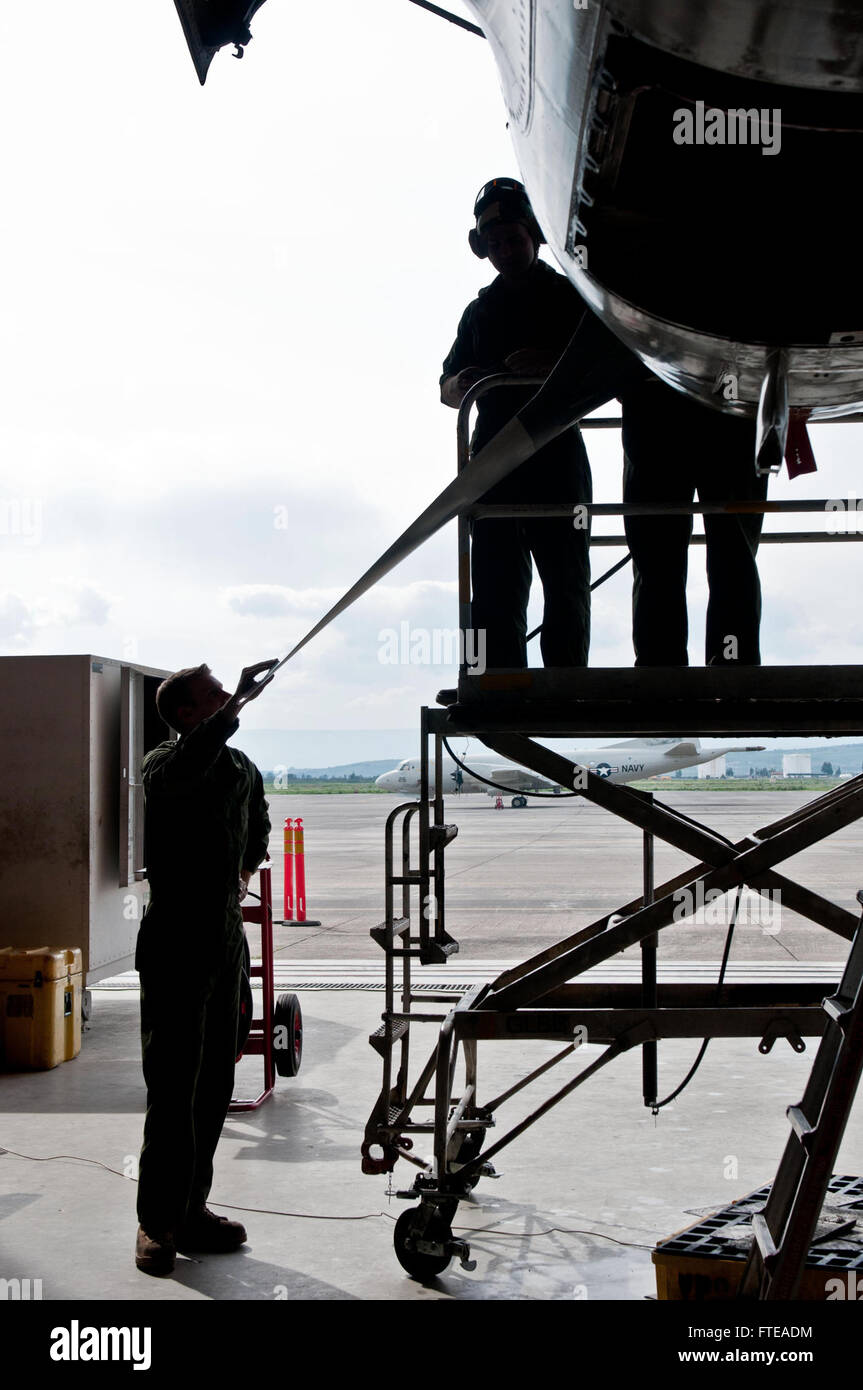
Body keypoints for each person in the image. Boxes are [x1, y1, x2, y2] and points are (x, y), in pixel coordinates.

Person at [134, 658, 276, 1275]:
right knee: (174, 1088)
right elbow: (190, 766)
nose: (226, 701)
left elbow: (259, 827)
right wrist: (238, 703)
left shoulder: (241, 767)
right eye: (213, 696)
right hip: (175, 944)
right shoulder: (163, 764)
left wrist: (243, 873)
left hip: (224, 945)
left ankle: (192, 1209)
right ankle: (157, 1225)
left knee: (215, 1082)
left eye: (226, 694)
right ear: (187, 714)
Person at [440, 177, 591, 669]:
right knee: (492, 576)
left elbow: (600, 371)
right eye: (495, 244)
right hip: (493, 461)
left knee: (565, 574)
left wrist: (553, 365)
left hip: (556, 455)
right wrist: (461, 384)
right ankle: (491, 676)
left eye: (514, 240)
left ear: (535, 236)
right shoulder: (478, 312)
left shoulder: (571, 299)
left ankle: (565, 680)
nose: (504, 250)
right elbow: (444, 385)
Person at [621, 377, 765, 665]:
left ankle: (661, 668)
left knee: (656, 556)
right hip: (730, 408)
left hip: (655, 408)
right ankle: (733, 664)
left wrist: (621, 382)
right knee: (734, 553)